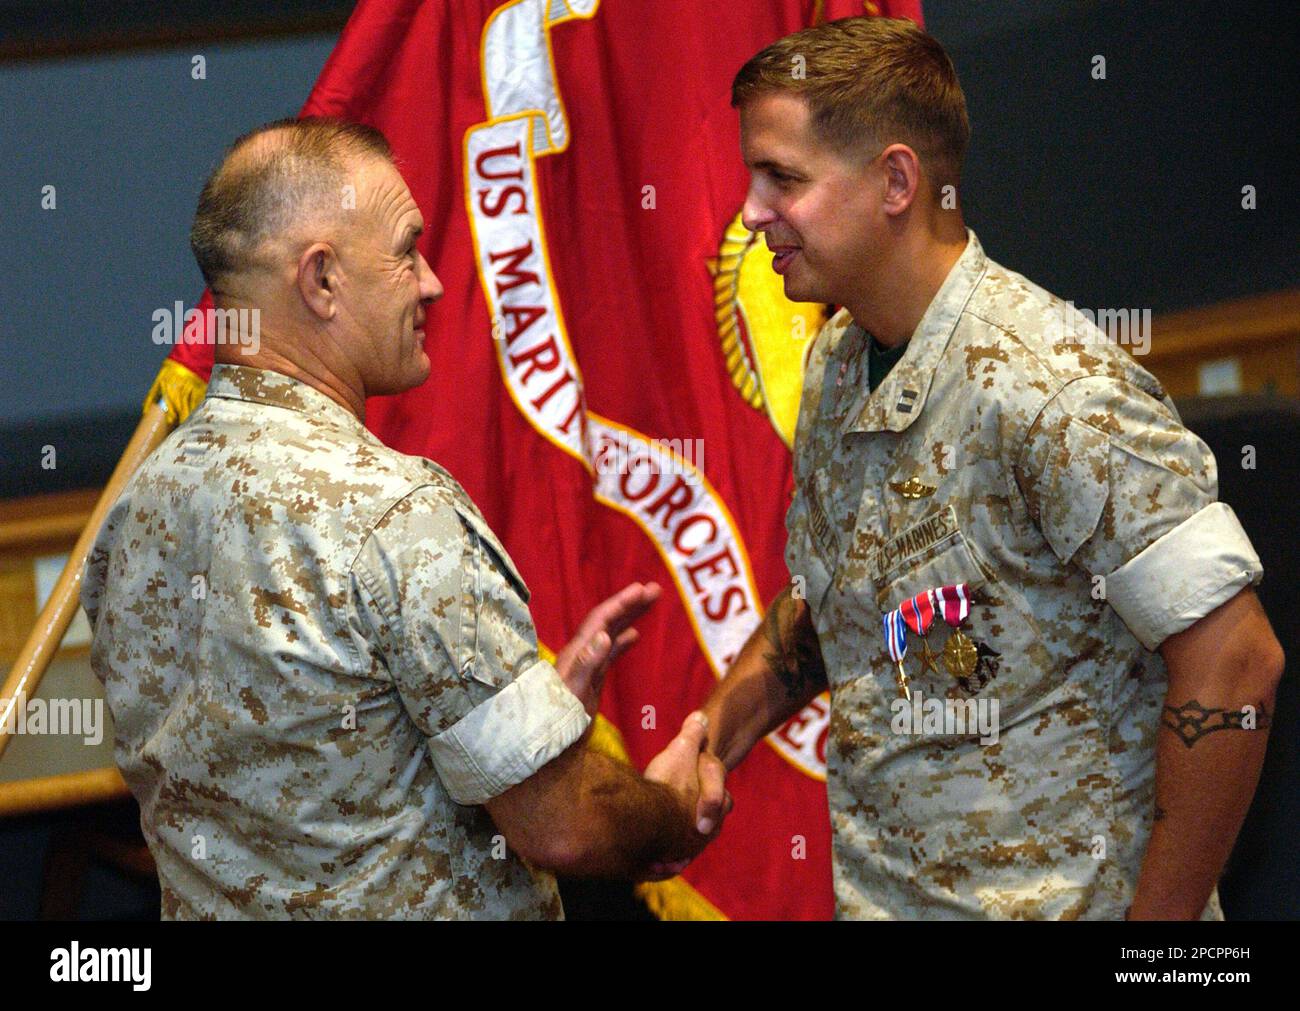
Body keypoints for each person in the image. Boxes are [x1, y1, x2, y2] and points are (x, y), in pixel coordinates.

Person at [688, 16, 1285, 918]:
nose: (751, 212)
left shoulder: (1050, 383)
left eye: (784, 179)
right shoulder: (840, 362)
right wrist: (709, 739)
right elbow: (842, 600)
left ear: (896, 180)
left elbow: (1236, 660)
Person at [82, 117, 727, 919]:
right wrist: (669, 812)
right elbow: (562, 826)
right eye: (405, 250)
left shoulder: (132, 513)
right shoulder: (392, 513)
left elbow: (297, 766)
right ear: (320, 280)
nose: (432, 281)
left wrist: (516, 713)